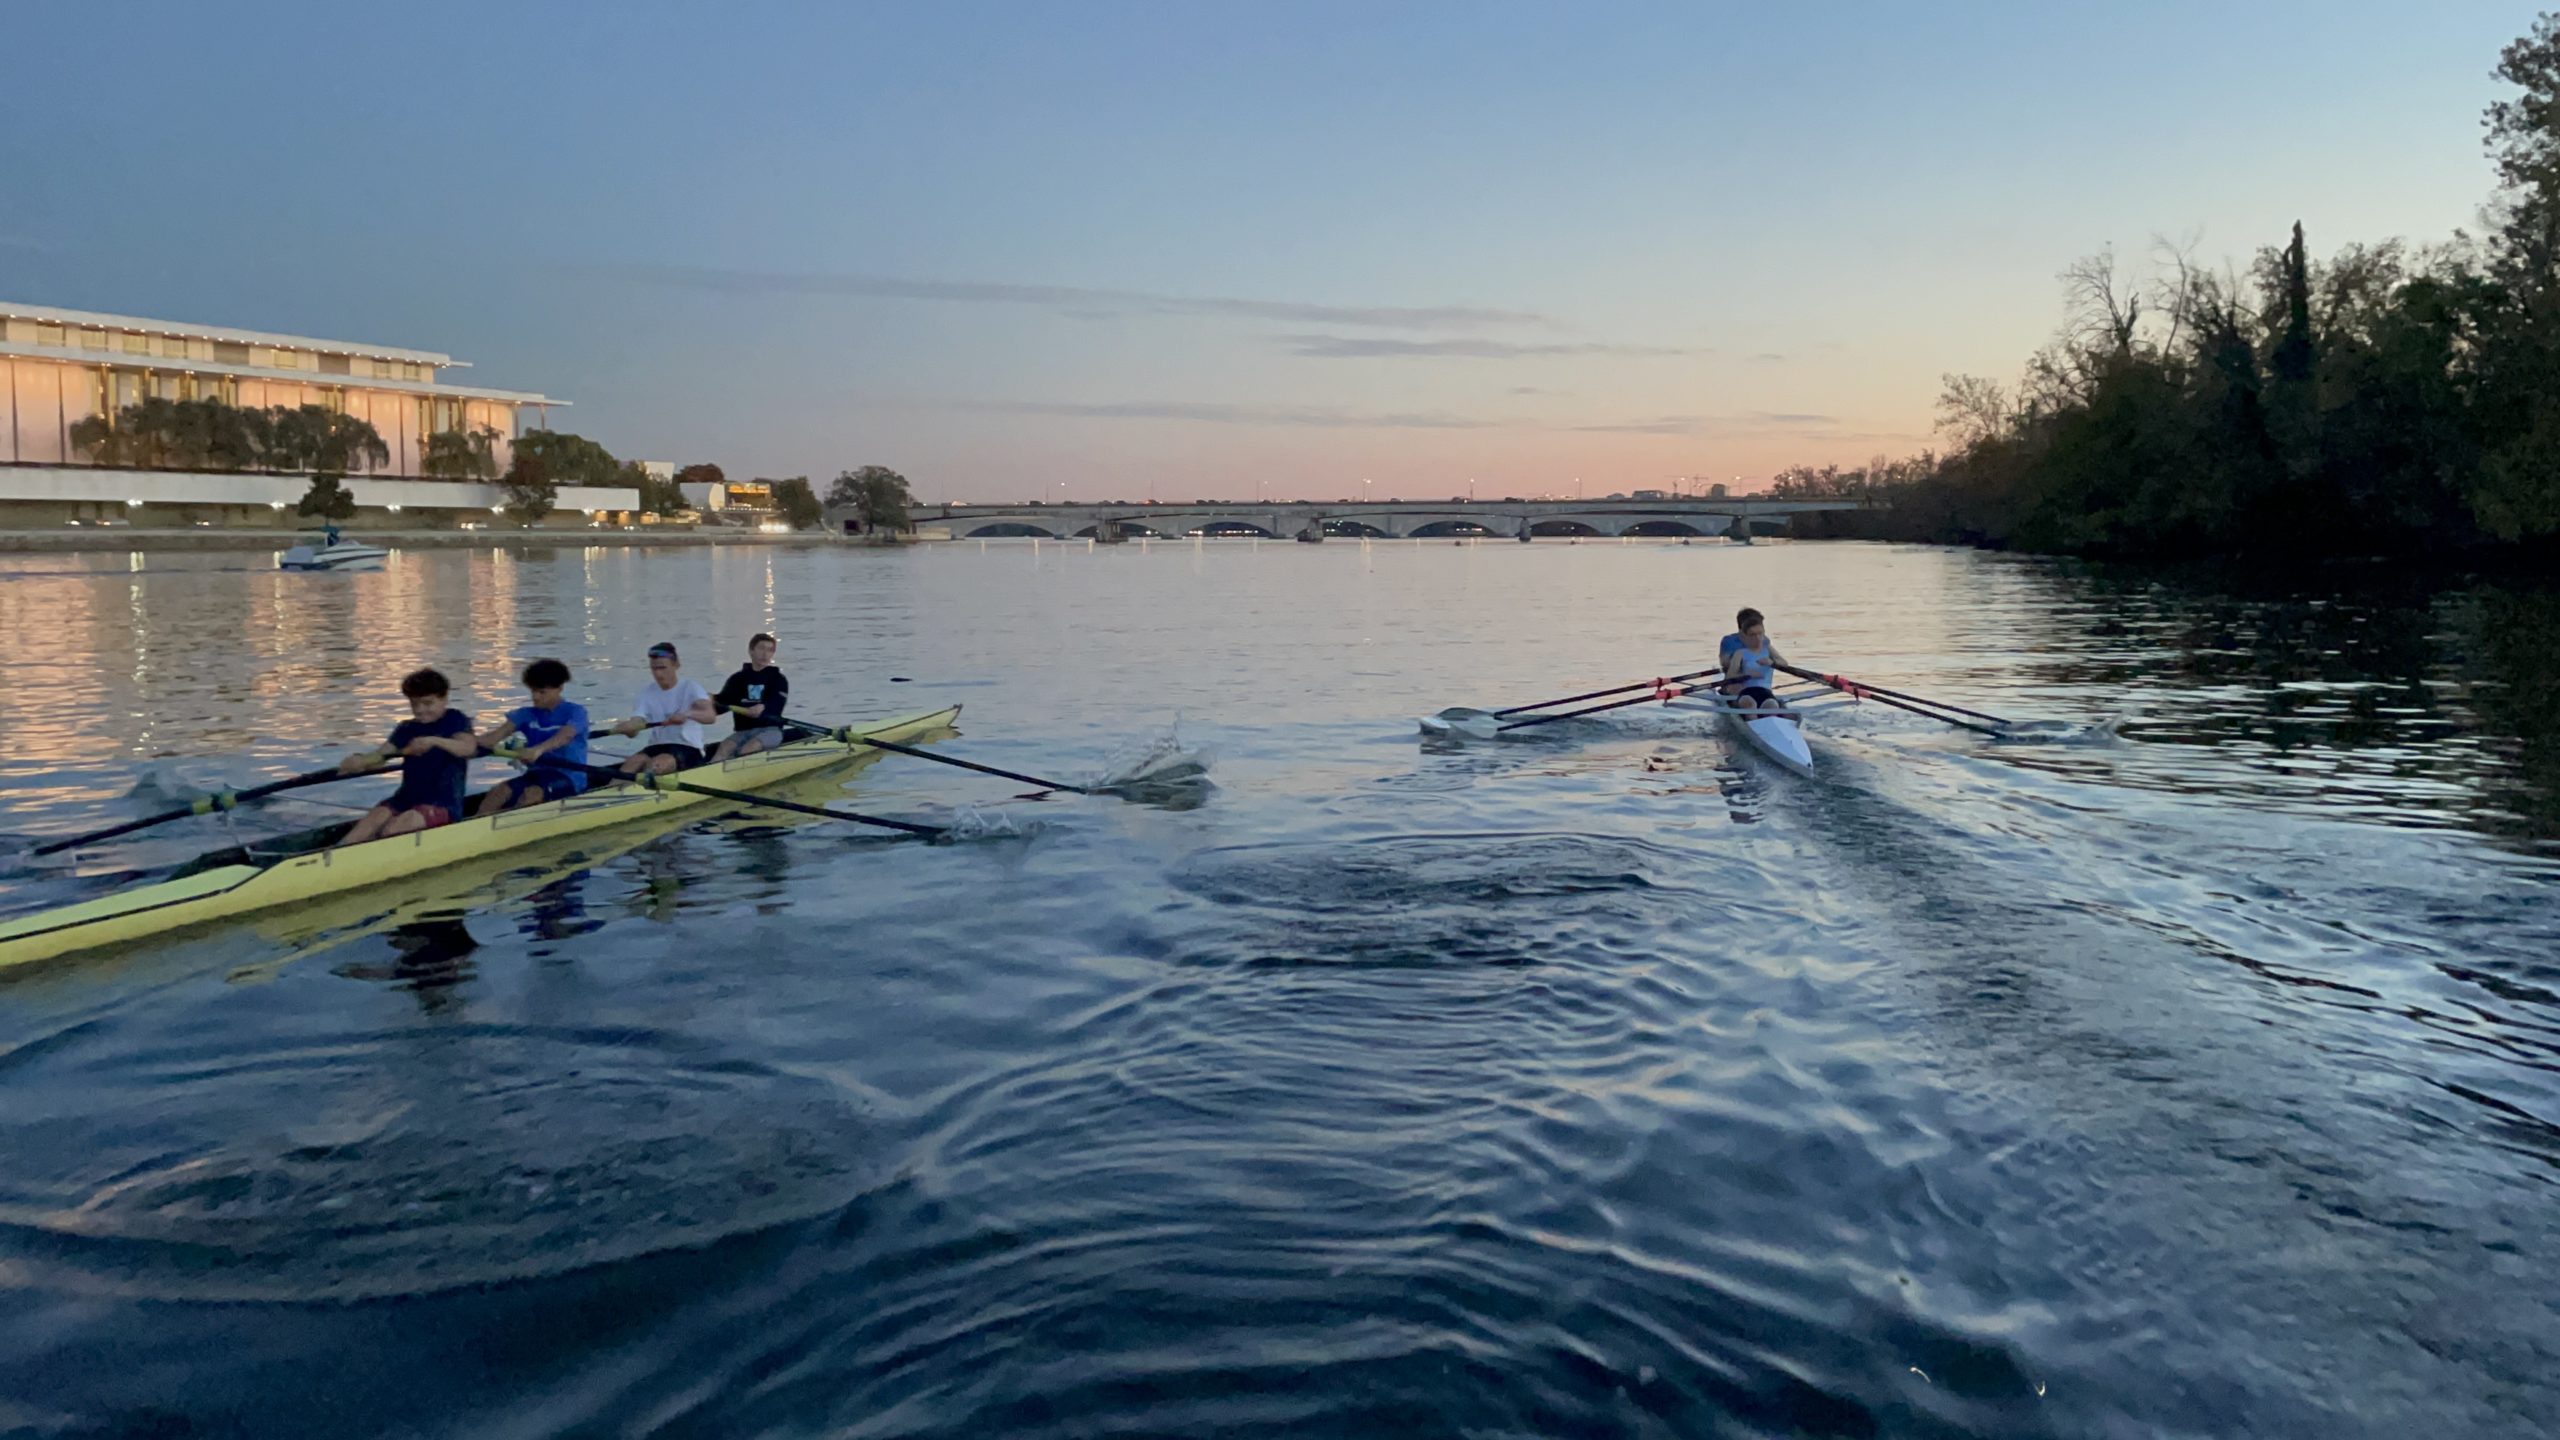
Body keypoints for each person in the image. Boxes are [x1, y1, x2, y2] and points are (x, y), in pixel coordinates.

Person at [335, 668, 478, 846]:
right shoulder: (406, 728)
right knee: (370, 822)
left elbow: (468, 748)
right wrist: (360, 761)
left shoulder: (455, 719)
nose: (420, 710)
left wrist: (433, 741)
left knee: (392, 830)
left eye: (427, 703)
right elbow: (380, 756)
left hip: (442, 804)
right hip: (405, 798)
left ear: (444, 699)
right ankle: (339, 851)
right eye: (414, 704)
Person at [473, 658, 592, 815]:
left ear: (559, 688)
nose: (535, 697)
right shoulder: (525, 714)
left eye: (542, 692)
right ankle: (477, 822)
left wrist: (538, 750)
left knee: (532, 794)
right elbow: (493, 738)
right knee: (498, 792)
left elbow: (566, 736)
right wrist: (465, 743)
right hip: (537, 774)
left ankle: (510, 825)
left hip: (569, 776)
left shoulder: (575, 712)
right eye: (533, 691)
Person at [607, 641, 717, 776]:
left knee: (659, 763)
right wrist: (629, 728)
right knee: (633, 762)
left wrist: (687, 715)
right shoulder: (646, 693)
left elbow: (710, 716)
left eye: (662, 668)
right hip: (656, 746)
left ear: (676, 665)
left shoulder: (691, 687)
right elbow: (637, 723)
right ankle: (614, 786)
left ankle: (646, 781)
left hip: (688, 748)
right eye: (654, 669)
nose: (658, 674)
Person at [711, 632, 792, 761]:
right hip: (742, 731)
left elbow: (776, 704)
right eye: (761, 648)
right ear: (751, 651)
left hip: (770, 730)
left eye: (770, 650)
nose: (765, 654)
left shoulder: (778, 679)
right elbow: (722, 704)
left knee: (748, 749)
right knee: (724, 748)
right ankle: (711, 771)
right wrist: (707, 701)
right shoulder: (737, 679)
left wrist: (763, 707)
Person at [1717, 607, 1791, 714]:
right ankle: (1740, 705)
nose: (1758, 638)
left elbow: (1782, 662)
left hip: (1759, 686)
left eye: (1760, 632)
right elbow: (1725, 664)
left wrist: (1771, 663)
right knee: (1738, 688)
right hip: (1735, 684)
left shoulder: (1764, 641)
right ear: (1743, 628)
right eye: (1752, 633)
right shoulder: (1729, 641)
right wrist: (1743, 666)